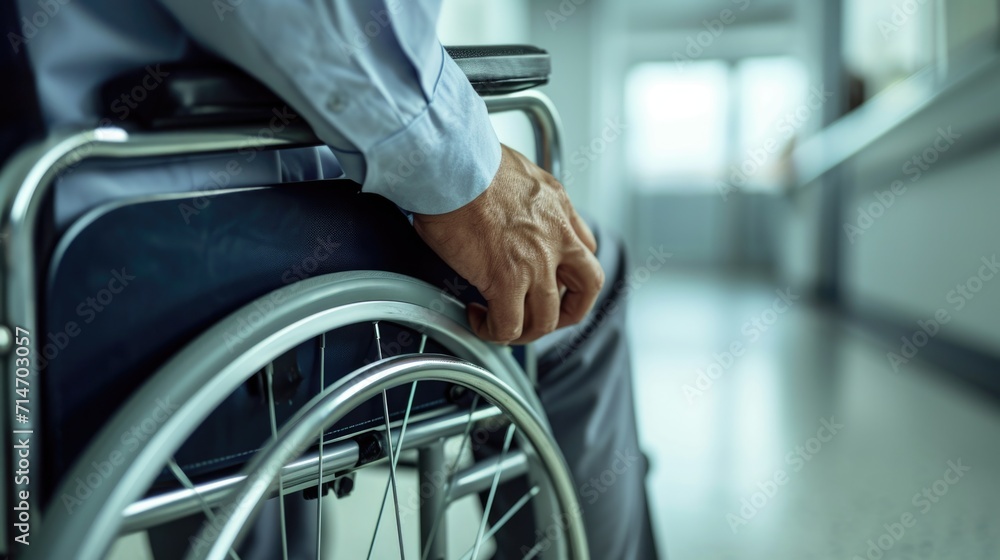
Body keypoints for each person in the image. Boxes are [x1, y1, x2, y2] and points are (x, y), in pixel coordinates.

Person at [15, 0, 659, 557]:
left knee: (257, 379)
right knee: (579, 287)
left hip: (48, 252)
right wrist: (470, 170)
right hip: (154, 237)